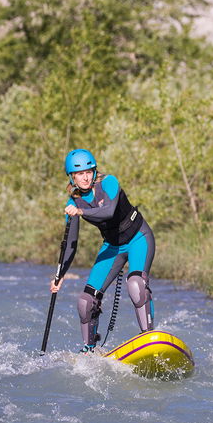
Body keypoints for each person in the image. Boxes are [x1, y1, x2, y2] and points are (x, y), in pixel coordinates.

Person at [49, 149, 156, 351]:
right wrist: (60, 274)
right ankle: (89, 351)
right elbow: (71, 242)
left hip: (138, 238)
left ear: (95, 170)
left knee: (135, 284)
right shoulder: (73, 203)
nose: (86, 177)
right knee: (86, 301)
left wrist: (80, 211)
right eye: (80, 174)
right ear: (72, 177)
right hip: (112, 247)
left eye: (89, 171)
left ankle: (148, 337)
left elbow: (108, 211)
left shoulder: (109, 183)